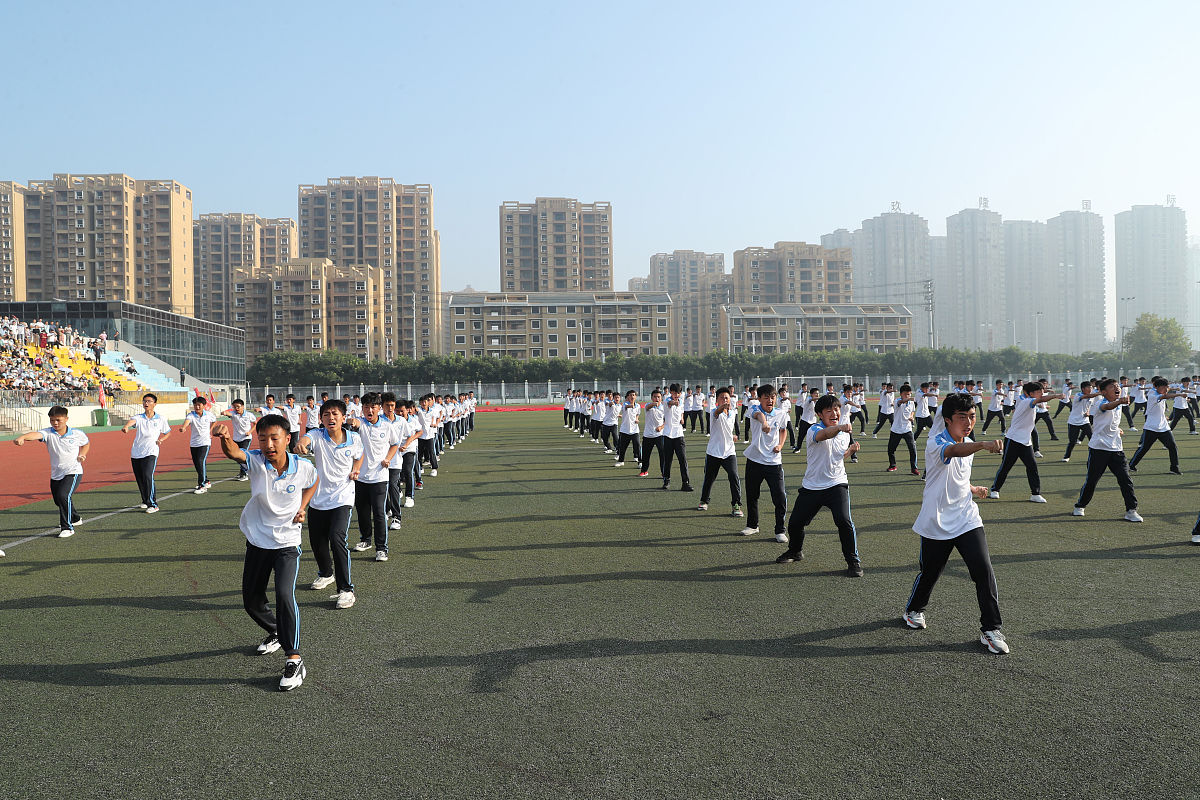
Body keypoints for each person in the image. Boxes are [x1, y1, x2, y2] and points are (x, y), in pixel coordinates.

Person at [215, 415, 318, 691]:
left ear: (287, 439)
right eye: (263, 439)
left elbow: (313, 482)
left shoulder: (302, 466)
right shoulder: (256, 461)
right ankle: (276, 630)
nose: (268, 444)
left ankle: (294, 658)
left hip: (287, 543)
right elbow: (234, 452)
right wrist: (225, 437)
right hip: (258, 542)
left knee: (285, 595)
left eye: (274, 438)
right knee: (251, 601)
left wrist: (303, 506)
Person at [903, 392, 1009, 654]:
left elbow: (956, 477)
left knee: (983, 571)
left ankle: (991, 629)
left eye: (972, 417)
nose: (968, 422)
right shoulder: (936, 442)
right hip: (936, 521)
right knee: (931, 572)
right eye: (962, 417)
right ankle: (914, 610)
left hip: (966, 518)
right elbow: (952, 452)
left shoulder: (969, 441)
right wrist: (983, 445)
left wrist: (973, 488)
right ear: (948, 420)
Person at [776, 394, 862, 575]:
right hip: (812, 486)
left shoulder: (843, 435)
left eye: (836, 409)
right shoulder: (814, 430)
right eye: (828, 410)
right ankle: (795, 551)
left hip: (837, 484)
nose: (834, 413)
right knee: (795, 524)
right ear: (819, 414)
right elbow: (824, 435)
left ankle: (853, 562)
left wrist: (849, 451)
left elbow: (837, 457)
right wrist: (839, 428)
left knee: (844, 521)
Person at [294, 399, 364, 609]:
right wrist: (301, 444)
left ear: (343, 417)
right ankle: (326, 574)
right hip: (318, 498)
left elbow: (359, 456)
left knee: (337, 538)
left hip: (342, 498)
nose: (330, 418)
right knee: (317, 542)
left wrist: (356, 469)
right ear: (320, 418)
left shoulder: (353, 438)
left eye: (335, 414)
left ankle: (346, 589)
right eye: (326, 414)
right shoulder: (316, 435)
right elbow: (305, 440)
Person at [1071, 378, 1141, 522]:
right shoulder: (1100, 403)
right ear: (1103, 392)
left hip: (1116, 449)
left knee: (1125, 480)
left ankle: (1131, 510)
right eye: (1112, 387)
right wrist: (1119, 402)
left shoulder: (1119, 402)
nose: (1117, 388)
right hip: (1099, 449)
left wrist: (1117, 429)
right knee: (1092, 480)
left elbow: (1111, 420)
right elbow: (1107, 407)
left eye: (1117, 386)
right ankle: (1080, 505)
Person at [13, 405, 89, 537]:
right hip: (56, 473)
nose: (55, 423)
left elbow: (86, 443)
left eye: (58, 420)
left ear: (66, 419)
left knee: (63, 496)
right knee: (58, 500)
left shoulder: (77, 433)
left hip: (73, 471)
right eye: (52, 420)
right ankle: (75, 518)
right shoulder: (48, 433)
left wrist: (82, 454)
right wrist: (23, 437)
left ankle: (67, 528)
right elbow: (35, 434)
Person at [988, 381, 1063, 503]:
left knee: (1032, 467)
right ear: (1029, 393)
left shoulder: (1029, 401)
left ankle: (1035, 493)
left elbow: (1039, 401)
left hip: (1026, 442)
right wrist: (1055, 396)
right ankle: (995, 490)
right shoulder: (1026, 401)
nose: (1041, 393)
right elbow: (1037, 401)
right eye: (1038, 391)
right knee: (1006, 466)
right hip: (1013, 439)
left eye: (1042, 391)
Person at [347, 392, 401, 560]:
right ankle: (365, 540)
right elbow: (352, 422)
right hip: (360, 477)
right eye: (366, 407)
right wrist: (352, 421)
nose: (369, 410)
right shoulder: (360, 424)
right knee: (362, 512)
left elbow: (395, 444)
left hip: (379, 478)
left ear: (379, 408)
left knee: (379, 513)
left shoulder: (387, 426)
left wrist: (388, 459)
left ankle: (381, 548)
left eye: (373, 407)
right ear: (362, 409)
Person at [740, 384, 789, 542]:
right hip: (755, 459)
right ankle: (752, 525)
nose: (770, 400)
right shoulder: (753, 407)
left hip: (774, 462)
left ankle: (780, 530)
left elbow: (783, 430)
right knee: (752, 495)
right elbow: (757, 415)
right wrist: (765, 423)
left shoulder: (781, 413)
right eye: (766, 397)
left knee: (780, 497)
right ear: (759, 398)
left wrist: (780, 445)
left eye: (772, 397)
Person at [121, 393, 171, 513]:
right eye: (144, 401)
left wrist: (161, 440)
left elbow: (168, 432)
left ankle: (153, 504)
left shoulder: (161, 419)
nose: (146, 403)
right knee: (140, 478)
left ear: (155, 404)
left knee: (148, 475)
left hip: (151, 451)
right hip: (137, 451)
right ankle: (145, 500)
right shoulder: (139, 417)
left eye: (149, 401)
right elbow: (132, 422)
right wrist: (126, 427)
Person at [698, 387, 742, 517]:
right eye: (722, 398)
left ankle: (736, 505)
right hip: (714, 452)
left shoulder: (733, 413)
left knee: (734, 476)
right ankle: (704, 500)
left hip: (729, 451)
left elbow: (727, 429)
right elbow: (717, 413)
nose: (725, 400)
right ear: (717, 400)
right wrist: (721, 407)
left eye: (727, 398)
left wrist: (733, 436)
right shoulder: (714, 412)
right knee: (709, 478)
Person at [1128, 377, 1186, 475]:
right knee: (1144, 448)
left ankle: (1174, 468)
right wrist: (1179, 394)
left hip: (1163, 427)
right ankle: (1131, 465)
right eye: (1163, 387)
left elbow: (1163, 398)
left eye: (1166, 387)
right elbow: (1164, 397)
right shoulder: (1152, 394)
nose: (1165, 389)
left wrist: (1164, 417)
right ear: (1156, 387)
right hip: (1151, 427)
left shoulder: (1160, 393)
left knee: (1172, 446)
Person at [178, 396, 216, 494]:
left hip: (205, 442)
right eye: (195, 405)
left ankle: (202, 485)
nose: (197, 407)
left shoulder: (208, 415)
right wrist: (183, 427)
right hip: (194, 443)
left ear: (204, 405)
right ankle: (206, 480)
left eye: (199, 405)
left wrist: (210, 431)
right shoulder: (191, 415)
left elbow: (214, 421)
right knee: (197, 464)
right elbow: (186, 422)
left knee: (200, 461)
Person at [660, 384, 693, 491]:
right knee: (668, 459)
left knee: (682, 459)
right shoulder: (666, 400)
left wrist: (682, 418)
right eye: (673, 393)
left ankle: (685, 483)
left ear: (680, 393)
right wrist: (674, 402)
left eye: (677, 393)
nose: (675, 395)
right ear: (671, 393)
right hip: (668, 434)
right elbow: (670, 403)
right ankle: (666, 480)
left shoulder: (681, 401)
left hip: (679, 435)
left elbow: (681, 411)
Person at [1060, 381, 1098, 462]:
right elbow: (1085, 397)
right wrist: (1099, 393)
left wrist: (1087, 412)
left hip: (1085, 421)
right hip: (1074, 421)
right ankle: (1066, 456)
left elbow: (1089, 406)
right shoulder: (1078, 395)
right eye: (1088, 387)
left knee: (1092, 438)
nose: (1090, 389)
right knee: (1072, 442)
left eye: (1091, 387)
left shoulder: (1091, 397)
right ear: (1083, 389)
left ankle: (1094, 455)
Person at [887, 384, 919, 475]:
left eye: (909, 394)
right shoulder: (897, 401)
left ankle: (914, 468)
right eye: (905, 394)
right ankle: (893, 465)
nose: (907, 396)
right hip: (896, 429)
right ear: (901, 394)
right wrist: (909, 399)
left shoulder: (911, 403)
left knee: (912, 449)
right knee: (891, 449)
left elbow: (912, 411)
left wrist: (911, 416)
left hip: (907, 429)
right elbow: (901, 402)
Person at [221, 399, 257, 481]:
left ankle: (244, 474)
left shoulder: (249, 415)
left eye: (238, 407)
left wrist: (250, 431)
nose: (236, 408)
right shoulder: (233, 414)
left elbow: (255, 423)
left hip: (246, 438)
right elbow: (228, 413)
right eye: (234, 407)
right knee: (235, 456)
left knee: (243, 455)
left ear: (243, 406)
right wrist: (224, 413)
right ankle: (247, 469)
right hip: (236, 438)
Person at [639, 389, 665, 478]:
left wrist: (661, 427)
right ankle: (644, 471)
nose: (657, 399)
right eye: (655, 397)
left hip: (659, 435)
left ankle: (664, 472)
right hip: (648, 434)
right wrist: (654, 404)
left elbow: (666, 421)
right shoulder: (648, 405)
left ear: (661, 398)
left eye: (658, 397)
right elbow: (647, 407)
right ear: (651, 398)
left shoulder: (664, 407)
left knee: (663, 454)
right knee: (646, 454)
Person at [614, 390, 641, 468]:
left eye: (633, 395)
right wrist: (632, 405)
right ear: (628, 397)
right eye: (630, 395)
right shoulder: (625, 404)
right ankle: (621, 461)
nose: (632, 396)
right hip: (625, 430)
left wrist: (637, 419)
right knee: (622, 447)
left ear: (635, 396)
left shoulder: (638, 406)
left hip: (635, 430)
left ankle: (640, 462)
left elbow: (637, 414)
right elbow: (628, 407)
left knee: (637, 446)